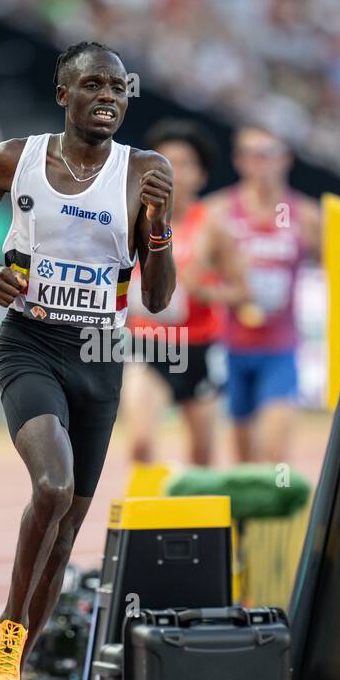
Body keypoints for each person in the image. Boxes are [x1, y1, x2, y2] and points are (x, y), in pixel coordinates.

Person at [0, 42, 174, 680]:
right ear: (63, 93)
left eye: (119, 86)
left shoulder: (145, 171)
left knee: (68, 534)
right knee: (53, 484)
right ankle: (9, 653)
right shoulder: (12, 159)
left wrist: (162, 229)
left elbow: (159, 297)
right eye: (93, 84)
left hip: (101, 358)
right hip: (31, 345)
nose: (108, 95)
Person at [123, 119, 241, 467]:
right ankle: (147, 517)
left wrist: (204, 290)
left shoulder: (213, 224)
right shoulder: (131, 218)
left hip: (199, 348)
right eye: (165, 161)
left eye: (185, 163)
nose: (173, 171)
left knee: (202, 454)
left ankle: (193, 519)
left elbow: (243, 291)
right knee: (141, 444)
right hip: (146, 344)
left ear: (201, 175)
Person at [199, 125, 319, 465]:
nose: (261, 163)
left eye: (269, 153)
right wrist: (231, 294)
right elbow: (191, 280)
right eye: (253, 154)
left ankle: (285, 516)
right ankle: (248, 519)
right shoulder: (218, 211)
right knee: (245, 458)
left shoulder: (308, 216)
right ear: (239, 160)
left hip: (281, 349)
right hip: (231, 348)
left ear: (286, 159)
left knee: (274, 452)